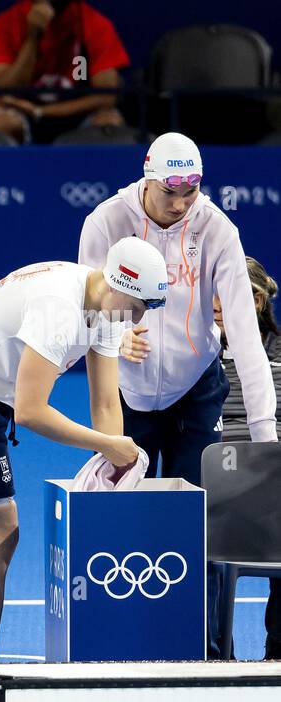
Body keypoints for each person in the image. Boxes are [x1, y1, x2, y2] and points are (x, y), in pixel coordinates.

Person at [79, 132, 279, 659]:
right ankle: (121, 643)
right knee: (124, 520)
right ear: (148, 178)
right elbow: (85, 309)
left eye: (192, 190)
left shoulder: (217, 229)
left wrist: (266, 439)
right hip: (124, 392)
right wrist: (115, 338)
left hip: (196, 390)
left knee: (202, 523)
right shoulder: (106, 222)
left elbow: (246, 334)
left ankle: (209, 653)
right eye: (171, 190)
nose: (182, 202)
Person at [0, 238, 162, 663]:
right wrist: (107, 445)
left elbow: (106, 403)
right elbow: (31, 411)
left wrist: (115, 474)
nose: (139, 319)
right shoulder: (60, 310)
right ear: (118, 284)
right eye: (139, 306)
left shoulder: (106, 303)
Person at [215, 256, 281, 660]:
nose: (214, 305)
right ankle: (213, 652)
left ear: (255, 301)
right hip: (218, 488)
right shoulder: (192, 355)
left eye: (224, 297)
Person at [0, 0, 130, 145]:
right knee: (3, 124)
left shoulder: (93, 23)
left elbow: (106, 97)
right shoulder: (6, 23)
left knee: (108, 122)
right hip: (24, 112)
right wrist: (32, 38)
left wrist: (41, 111)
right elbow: (1, 92)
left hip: (77, 112)